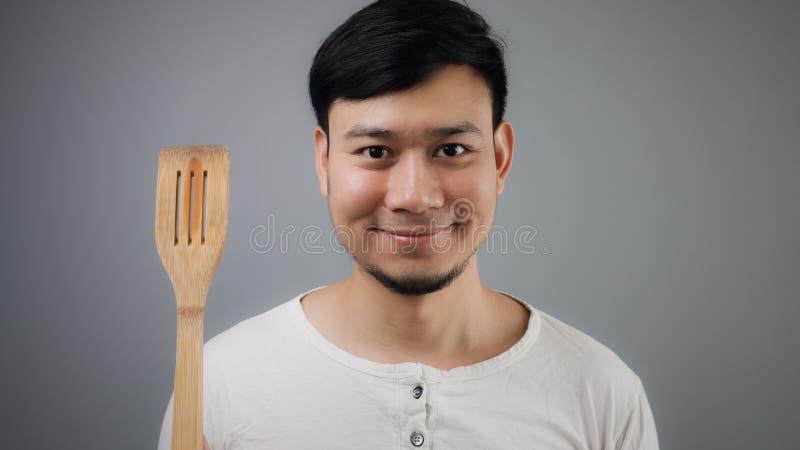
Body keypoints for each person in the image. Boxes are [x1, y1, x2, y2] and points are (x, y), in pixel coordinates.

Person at [158, 0, 660, 448]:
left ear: (501, 158)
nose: (414, 197)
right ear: (324, 162)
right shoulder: (218, 385)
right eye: (375, 151)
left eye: (452, 150)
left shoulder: (602, 393)